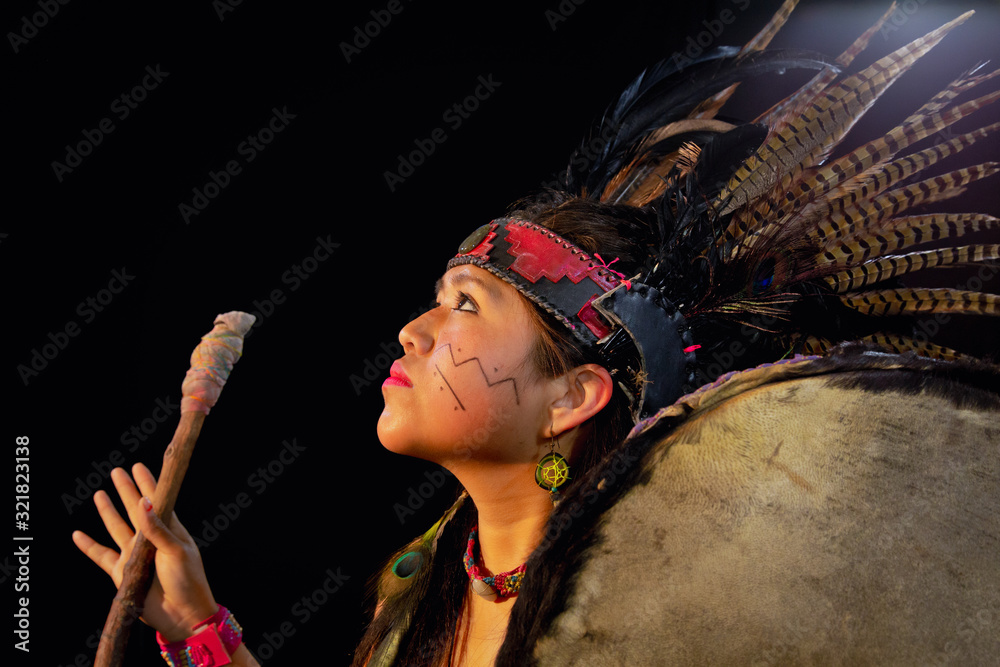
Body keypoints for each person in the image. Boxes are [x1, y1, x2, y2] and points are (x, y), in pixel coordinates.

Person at [74, 3, 1000, 665]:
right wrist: (202, 628)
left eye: (467, 305)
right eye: (438, 298)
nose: (410, 330)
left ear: (574, 395)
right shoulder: (424, 591)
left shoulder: (676, 606)